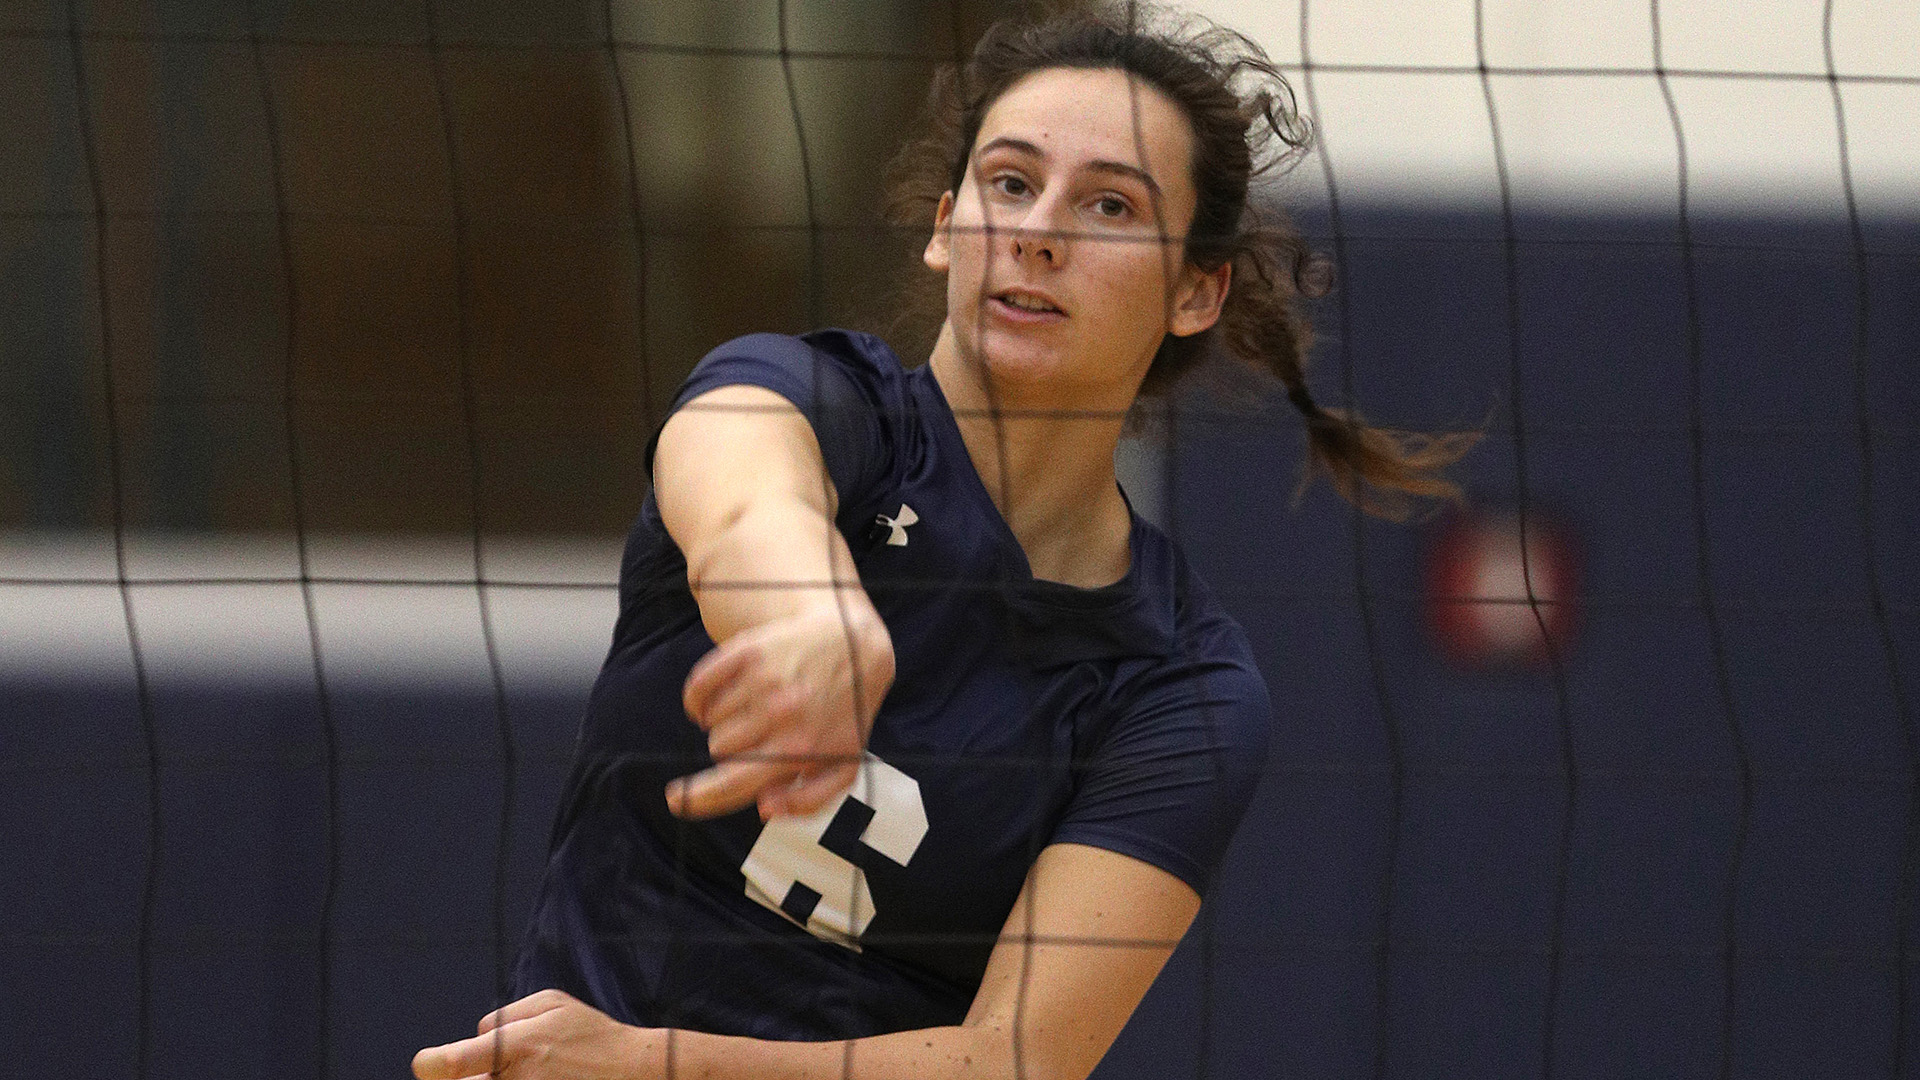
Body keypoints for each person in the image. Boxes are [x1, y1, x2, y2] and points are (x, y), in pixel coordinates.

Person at [415, 4, 1469, 1078]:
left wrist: (655, 1064)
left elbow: (1015, 1062)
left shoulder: (1181, 687)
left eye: (1109, 204)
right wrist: (807, 620)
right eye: (1010, 182)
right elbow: (742, 506)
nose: (1039, 231)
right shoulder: (806, 396)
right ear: (943, 223)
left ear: (1197, 292)